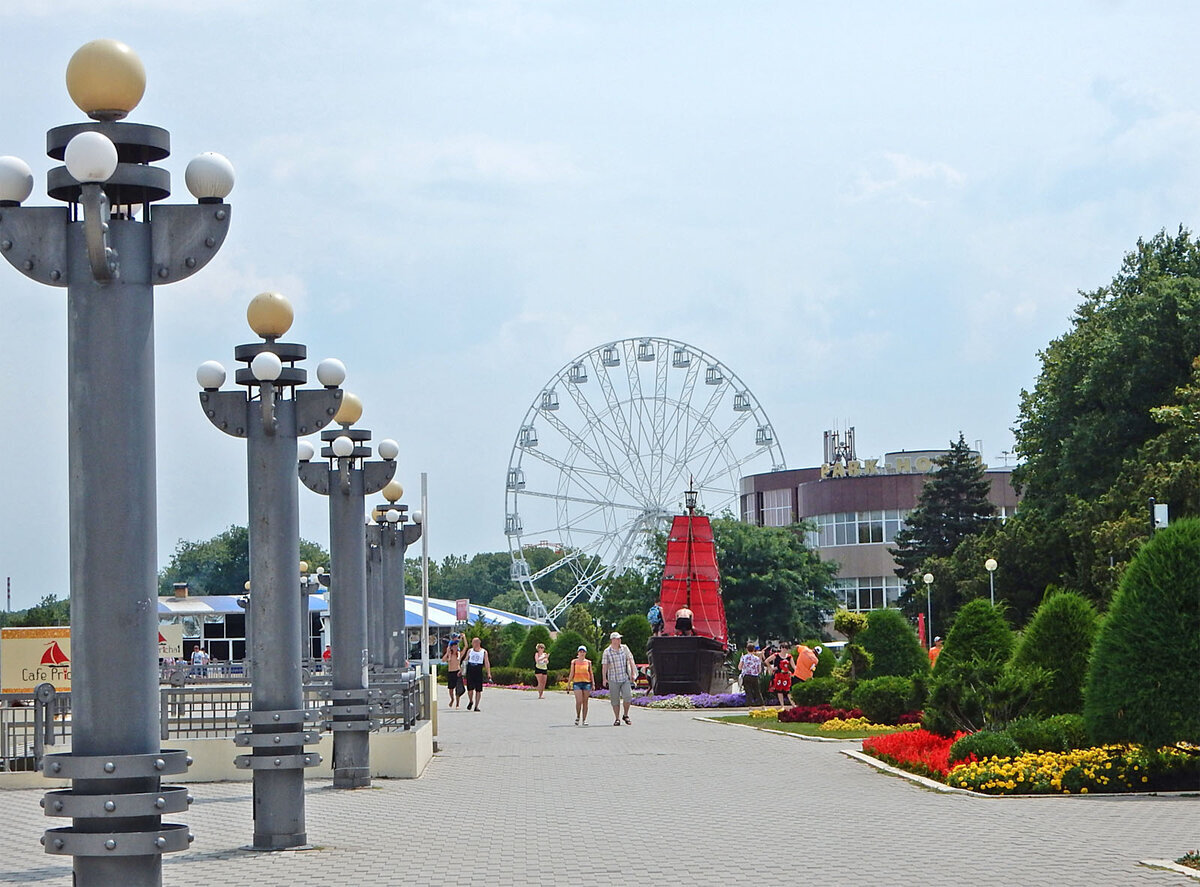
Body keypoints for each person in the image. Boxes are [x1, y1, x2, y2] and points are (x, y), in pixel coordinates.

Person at [601, 631, 637, 726]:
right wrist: (604, 678)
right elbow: (604, 665)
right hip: (613, 678)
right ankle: (617, 718)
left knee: (628, 696)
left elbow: (630, 659)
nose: (619, 640)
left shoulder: (624, 648)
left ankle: (625, 715)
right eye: (617, 639)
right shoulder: (607, 652)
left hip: (624, 677)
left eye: (620, 638)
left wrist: (633, 673)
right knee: (615, 700)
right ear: (612, 640)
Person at [463, 636, 492, 711]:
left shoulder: (484, 651)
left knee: (478, 690)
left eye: (474, 642)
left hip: (478, 670)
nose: (473, 644)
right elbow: (466, 660)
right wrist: (462, 669)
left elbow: (486, 662)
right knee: (470, 689)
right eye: (472, 642)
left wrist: (488, 673)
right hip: (470, 669)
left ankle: (476, 706)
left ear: (478, 643)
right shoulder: (470, 651)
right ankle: (471, 701)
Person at [568, 645, 594, 726]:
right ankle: (578, 716)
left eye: (583, 652)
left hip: (586, 682)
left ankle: (584, 719)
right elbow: (572, 672)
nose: (582, 653)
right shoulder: (574, 662)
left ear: (585, 653)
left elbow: (590, 673)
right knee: (579, 701)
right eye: (580, 651)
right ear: (578, 653)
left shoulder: (588, 662)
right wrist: (568, 683)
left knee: (585, 702)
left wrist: (593, 683)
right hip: (577, 683)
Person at [738, 642, 764, 706]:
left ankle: (750, 703)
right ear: (754, 649)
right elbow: (759, 670)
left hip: (746, 675)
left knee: (748, 690)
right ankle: (761, 703)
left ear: (747, 649)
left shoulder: (744, 657)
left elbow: (739, 667)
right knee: (757, 690)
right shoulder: (757, 659)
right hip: (754, 676)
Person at [443, 639, 464, 708]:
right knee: (451, 688)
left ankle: (457, 703)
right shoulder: (450, 655)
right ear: (451, 647)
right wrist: (447, 652)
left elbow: (466, 647)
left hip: (457, 672)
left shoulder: (458, 654)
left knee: (458, 688)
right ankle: (452, 699)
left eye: (456, 646)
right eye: (454, 647)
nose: (455, 648)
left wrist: (463, 638)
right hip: (451, 672)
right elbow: (443, 660)